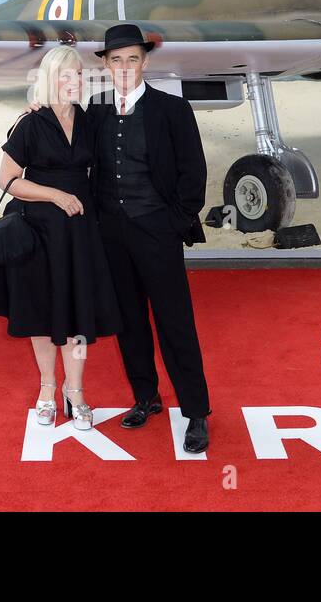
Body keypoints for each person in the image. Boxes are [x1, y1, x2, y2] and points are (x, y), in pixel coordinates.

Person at [86, 23, 213, 454]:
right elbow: (80, 158)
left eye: (132, 59)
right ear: (105, 64)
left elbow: (193, 174)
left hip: (157, 231)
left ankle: (195, 411)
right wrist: (36, 112)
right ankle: (146, 397)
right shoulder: (96, 108)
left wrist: (173, 222)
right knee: (129, 320)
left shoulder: (172, 110)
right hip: (111, 232)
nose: (124, 67)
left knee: (174, 321)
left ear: (145, 62)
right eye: (116, 60)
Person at [0, 45, 122, 431]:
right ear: (48, 78)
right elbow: (8, 180)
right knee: (42, 315)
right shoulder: (29, 124)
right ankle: (47, 389)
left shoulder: (89, 120)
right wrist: (56, 195)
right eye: (65, 74)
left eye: (78, 74)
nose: (73, 81)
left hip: (80, 233)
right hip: (40, 233)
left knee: (78, 314)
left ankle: (74, 390)